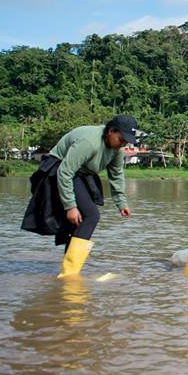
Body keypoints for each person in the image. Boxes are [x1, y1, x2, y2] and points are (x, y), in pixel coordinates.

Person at [22, 115, 142, 277]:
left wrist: (121, 203)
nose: (123, 144)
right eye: (121, 139)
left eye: (126, 141)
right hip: (58, 168)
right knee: (91, 216)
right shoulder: (89, 142)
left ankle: (68, 271)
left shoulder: (116, 150)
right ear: (111, 131)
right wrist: (70, 206)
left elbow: (116, 175)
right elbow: (65, 172)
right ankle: (70, 273)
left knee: (79, 222)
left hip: (83, 173)